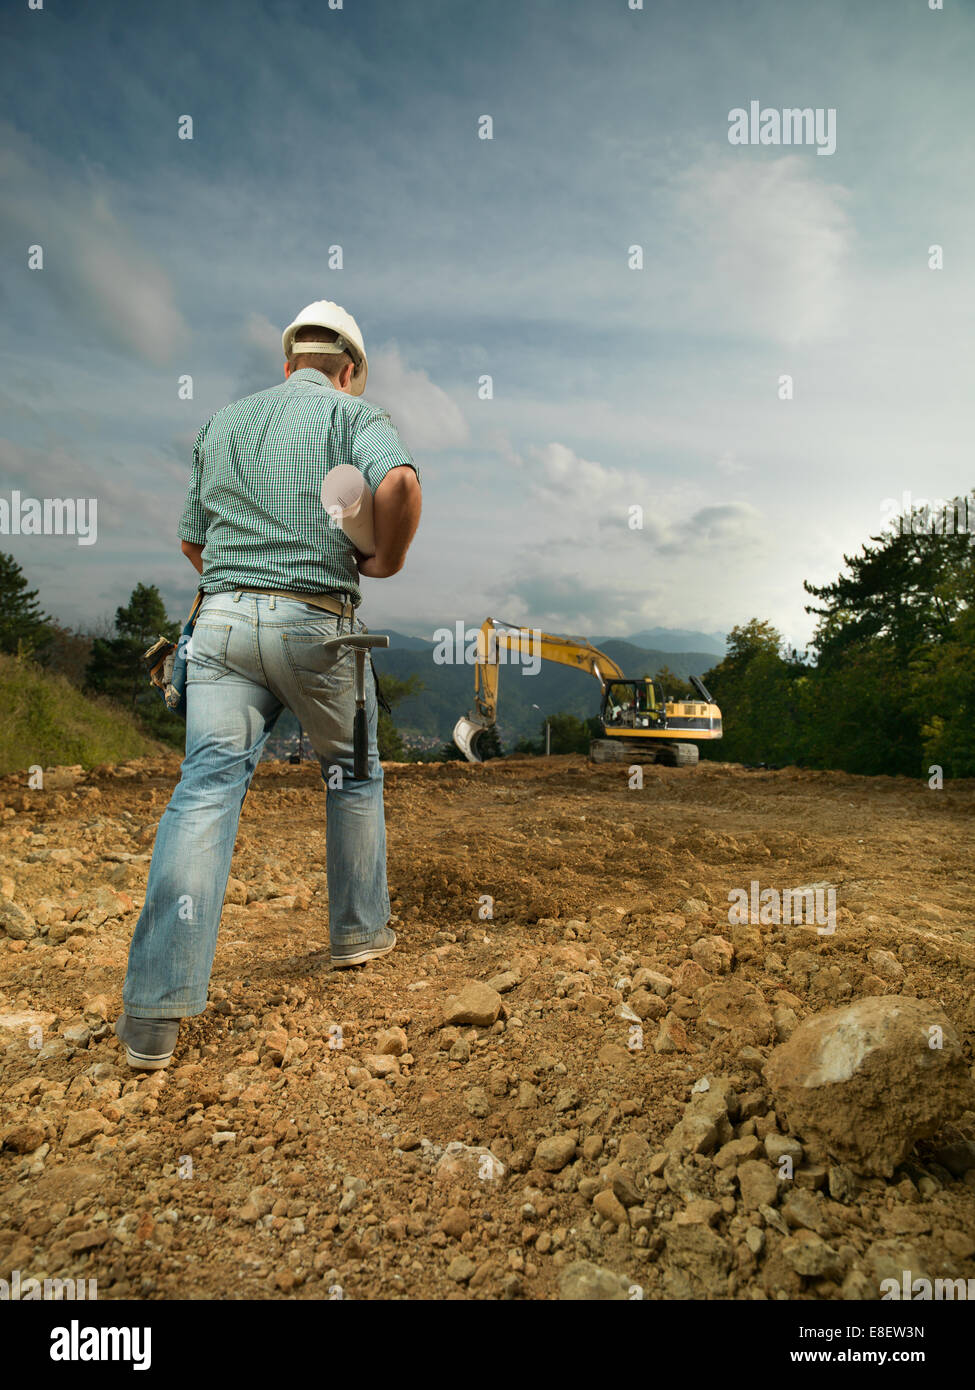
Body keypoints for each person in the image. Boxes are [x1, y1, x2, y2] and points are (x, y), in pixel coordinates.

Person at [114, 300, 422, 1071]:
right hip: (318, 628)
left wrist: (239, 587)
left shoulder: (220, 425)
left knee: (206, 789)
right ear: (346, 370)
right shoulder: (356, 416)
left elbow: (192, 537)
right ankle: (357, 935)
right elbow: (402, 489)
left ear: (288, 362)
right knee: (352, 776)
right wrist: (383, 561)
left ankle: (153, 1015)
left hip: (218, 629)